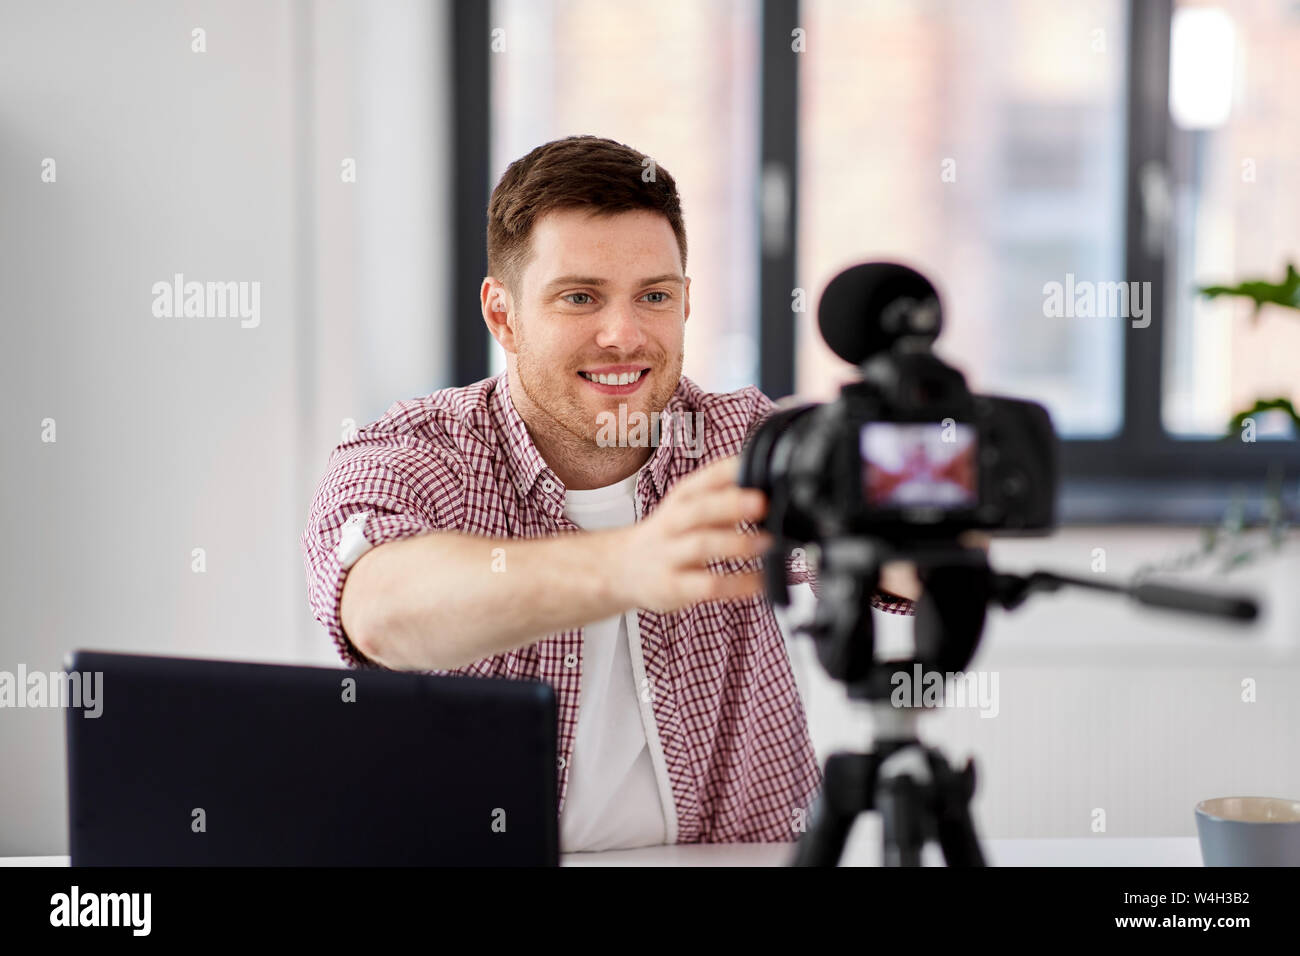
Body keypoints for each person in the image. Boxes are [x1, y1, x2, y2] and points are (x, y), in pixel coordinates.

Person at [300, 135, 919, 852]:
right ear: (502, 315)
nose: (623, 335)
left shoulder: (745, 443)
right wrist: (625, 566)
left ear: (685, 303)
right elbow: (380, 612)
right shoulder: (415, 452)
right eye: (580, 297)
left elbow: (909, 563)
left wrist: (923, 527)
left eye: (654, 296)